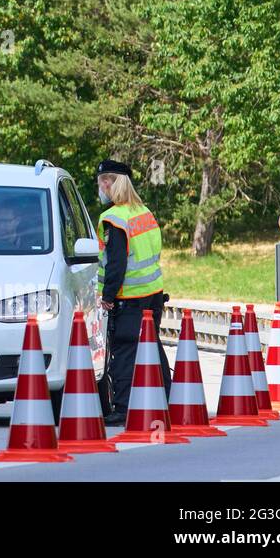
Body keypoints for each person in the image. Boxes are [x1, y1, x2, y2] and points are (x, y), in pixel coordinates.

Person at [95, 158, 171, 425]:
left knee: (124, 351)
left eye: (103, 182)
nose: (101, 187)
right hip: (153, 292)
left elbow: (116, 263)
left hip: (129, 297)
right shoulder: (143, 212)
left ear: (111, 183)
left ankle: (124, 407)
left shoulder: (113, 219)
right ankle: (168, 399)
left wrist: (107, 296)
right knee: (151, 346)